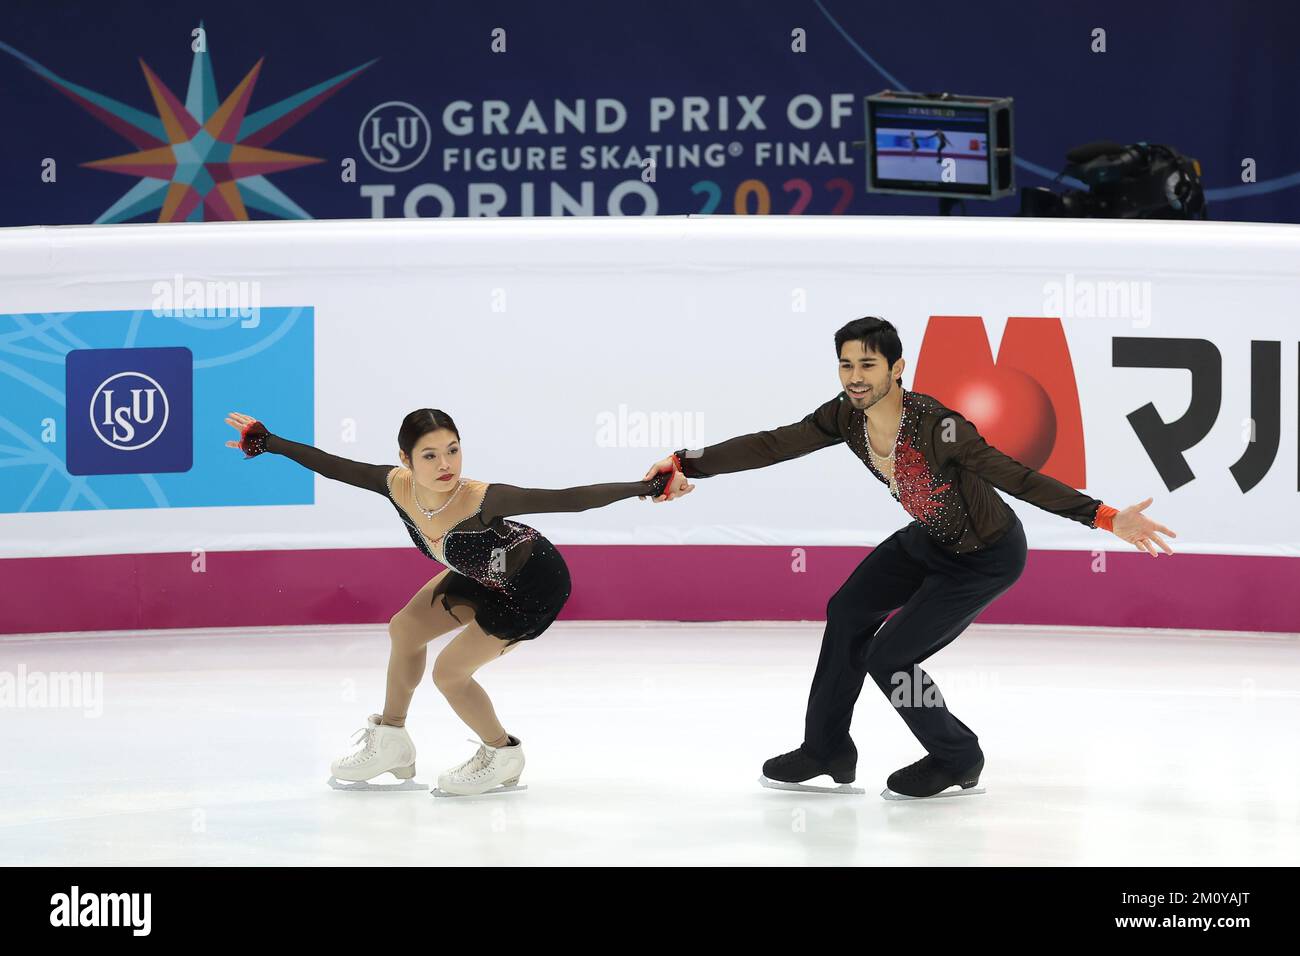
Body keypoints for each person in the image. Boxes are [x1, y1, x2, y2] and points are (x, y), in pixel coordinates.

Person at [642, 317, 1176, 799]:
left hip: (985, 555)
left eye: (868, 365)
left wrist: (1105, 517)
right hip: (928, 540)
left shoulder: (939, 427)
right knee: (848, 610)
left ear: (898, 368)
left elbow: (1015, 475)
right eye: (846, 364)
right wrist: (688, 461)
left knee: (889, 657)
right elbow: (773, 444)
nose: (855, 376)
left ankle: (957, 755)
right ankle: (826, 749)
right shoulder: (844, 418)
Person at [225, 408, 672, 795]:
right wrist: (269, 442)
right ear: (406, 459)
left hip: (533, 587)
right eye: (430, 455)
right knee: (404, 629)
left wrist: (646, 488)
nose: (446, 464)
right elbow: (332, 464)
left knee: (450, 673)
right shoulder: (395, 485)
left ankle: (501, 754)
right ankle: (392, 740)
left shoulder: (481, 498)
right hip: (480, 575)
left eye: (453, 450)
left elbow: (571, 501)